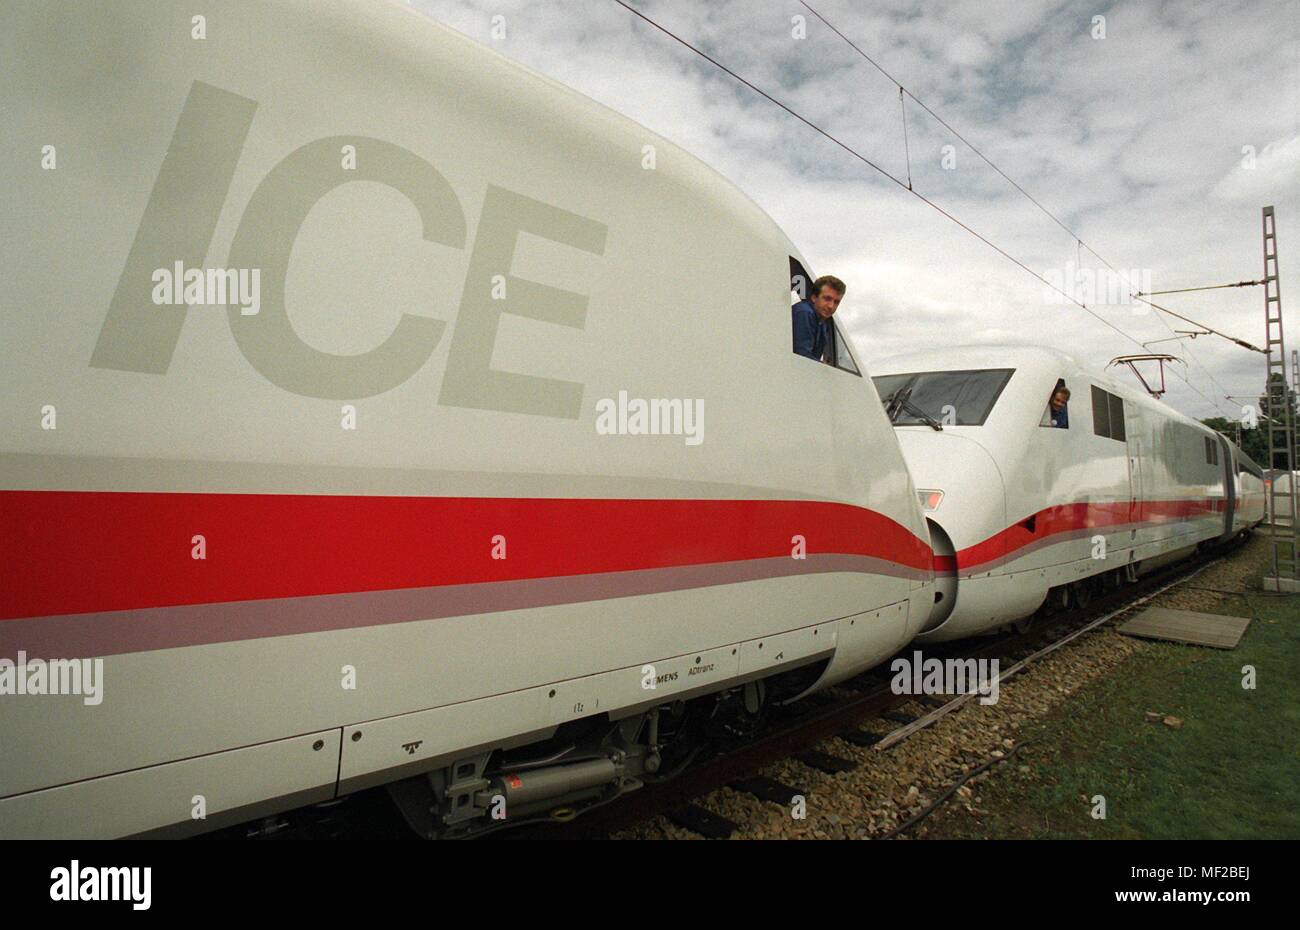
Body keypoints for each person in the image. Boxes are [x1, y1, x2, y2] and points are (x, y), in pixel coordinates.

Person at [792, 275, 845, 362]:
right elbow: (803, 357)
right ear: (814, 297)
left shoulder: (822, 322)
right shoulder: (805, 313)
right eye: (827, 299)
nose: (831, 306)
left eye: (836, 302)